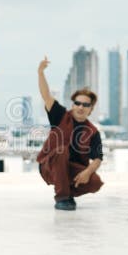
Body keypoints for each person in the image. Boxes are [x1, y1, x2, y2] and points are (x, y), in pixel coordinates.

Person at [35, 56, 104, 210]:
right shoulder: (60, 116)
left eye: (85, 105)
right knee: (61, 151)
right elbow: (46, 96)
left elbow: (98, 158)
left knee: (95, 182)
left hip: (71, 168)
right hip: (49, 165)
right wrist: (40, 73)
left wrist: (87, 172)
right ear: (73, 105)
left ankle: (67, 192)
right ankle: (62, 198)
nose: (80, 107)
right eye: (77, 103)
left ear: (91, 109)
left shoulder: (92, 131)